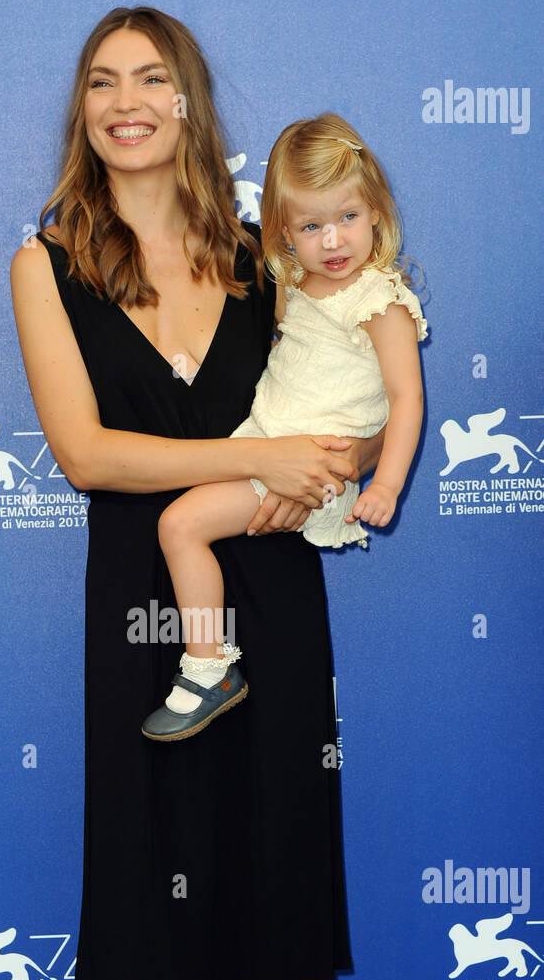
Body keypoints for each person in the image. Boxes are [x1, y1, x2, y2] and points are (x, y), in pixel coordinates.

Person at [10, 6, 385, 980]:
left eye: (151, 79)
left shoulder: (258, 250)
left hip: (273, 592)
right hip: (142, 610)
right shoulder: (47, 260)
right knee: (153, 864)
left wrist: (320, 468)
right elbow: (87, 454)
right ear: (84, 109)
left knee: (267, 863)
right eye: (102, 81)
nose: (127, 100)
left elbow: (345, 393)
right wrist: (254, 457)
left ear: (185, 102)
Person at [142, 112, 427, 742]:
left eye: (347, 218)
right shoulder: (296, 289)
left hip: (311, 464)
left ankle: (207, 666)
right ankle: (208, 664)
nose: (333, 241)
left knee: (178, 524)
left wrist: (387, 486)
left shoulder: (380, 300)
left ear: (375, 210)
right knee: (181, 524)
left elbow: (407, 400)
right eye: (312, 226)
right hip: (262, 448)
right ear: (285, 235)